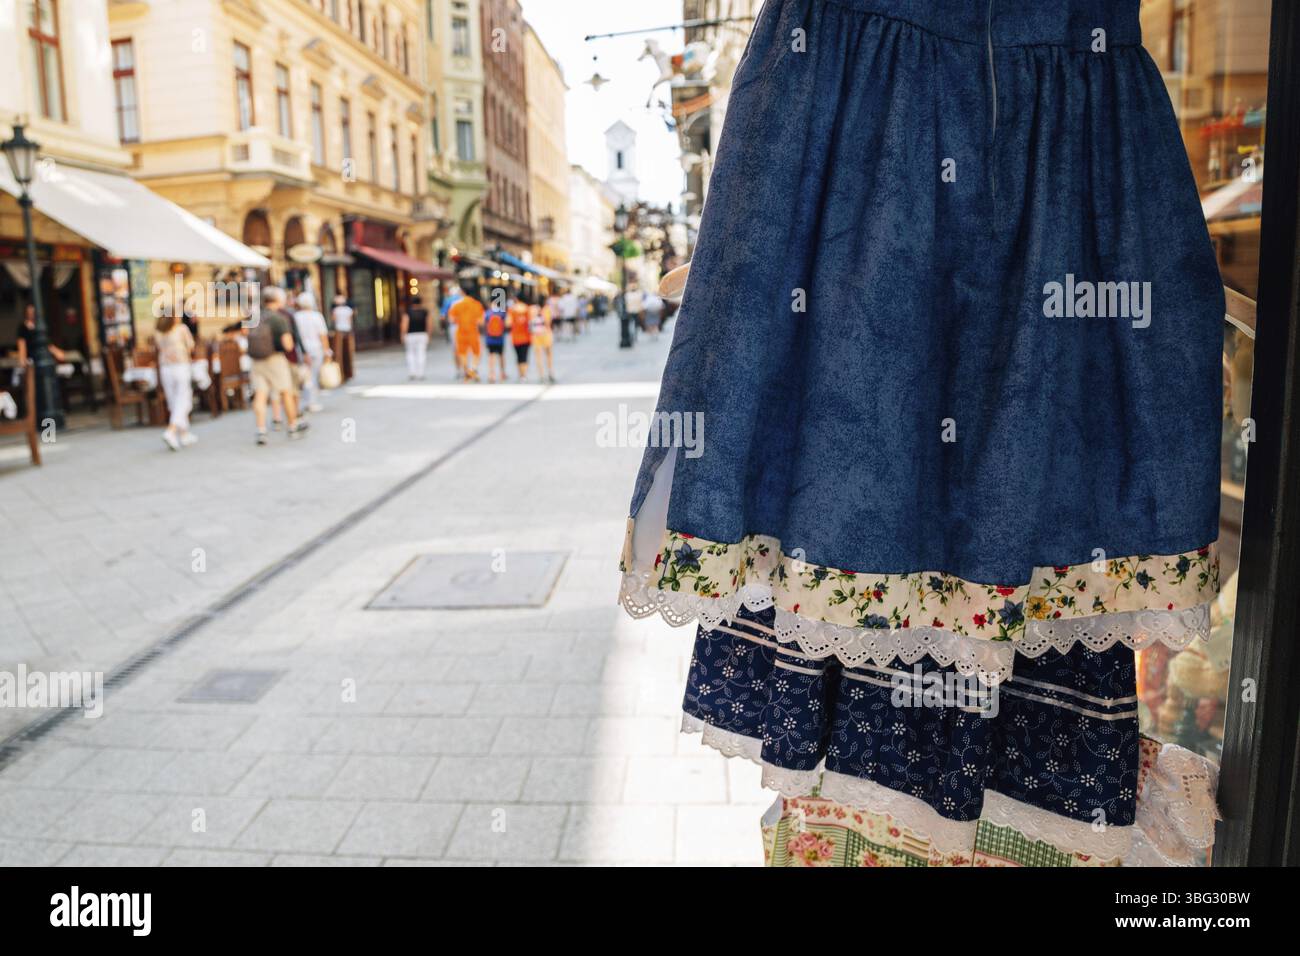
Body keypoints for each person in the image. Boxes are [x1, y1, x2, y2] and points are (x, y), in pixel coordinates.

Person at [248, 287, 307, 444]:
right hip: (275, 359)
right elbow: (288, 345)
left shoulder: (255, 317)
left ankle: (261, 431)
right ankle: (292, 426)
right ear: (277, 300)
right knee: (285, 392)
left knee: (260, 395)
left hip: (256, 361)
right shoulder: (279, 319)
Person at [153, 309, 197, 451]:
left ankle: (184, 435)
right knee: (183, 400)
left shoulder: (158, 332)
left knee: (174, 402)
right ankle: (171, 431)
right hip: (180, 367)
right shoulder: (182, 329)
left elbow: (159, 349)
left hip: (166, 369)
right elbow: (191, 346)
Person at [293, 291, 331, 412]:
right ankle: (311, 402)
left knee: (303, 376)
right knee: (312, 376)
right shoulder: (317, 316)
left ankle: (304, 402)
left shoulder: (296, 317)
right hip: (315, 349)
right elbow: (323, 336)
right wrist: (327, 351)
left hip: (300, 350)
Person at [448, 292, 485, 382]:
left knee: (462, 353)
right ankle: (473, 369)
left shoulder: (457, 305)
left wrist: (460, 320)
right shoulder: (477, 304)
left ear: (463, 293)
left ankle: (467, 372)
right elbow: (481, 322)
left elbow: (451, 319)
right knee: (477, 352)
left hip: (461, 332)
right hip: (473, 332)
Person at [400, 298, 433, 380]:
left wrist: (402, 334)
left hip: (410, 335)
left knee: (410, 354)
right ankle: (420, 373)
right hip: (422, 334)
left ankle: (412, 372)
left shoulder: (408, 312)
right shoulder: (425, 312)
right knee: (421, 353)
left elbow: (405, 324)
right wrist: (429, 335)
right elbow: (429, 324)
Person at [529, 300, 555, 384]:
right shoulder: (547, 309)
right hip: (546, 334)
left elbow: (529, 322)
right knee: (548, 354)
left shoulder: (532, 309)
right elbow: (548, 322)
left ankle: (541, 375)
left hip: (536, 335)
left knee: (538, 356)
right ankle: (550, 373)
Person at [483, 301, 508, 383]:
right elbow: (506, 324)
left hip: (490, 338)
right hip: (500, 338)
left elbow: (483, 324)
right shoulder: (502, 313)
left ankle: (491, 374)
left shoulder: (487, 313)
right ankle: (502, 373)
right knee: (501, 355)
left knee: (491, 356)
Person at [331, 294, 355, 380]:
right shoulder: (348, 310)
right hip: (347, 330)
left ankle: (341, 373)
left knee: (339, 353)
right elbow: (350, 321)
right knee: (349, 352)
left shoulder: (335, 310)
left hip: (339, 331)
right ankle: (349, 372)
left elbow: (333, 319)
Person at [508, 298, 531, 381]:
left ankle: (520, 375)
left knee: (518, 357)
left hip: (515, 337)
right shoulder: (527, 309)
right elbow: (531, 322)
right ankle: (524, 375)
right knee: (524, 356)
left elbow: (508, 323)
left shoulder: (512, 310)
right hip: (526, 337)